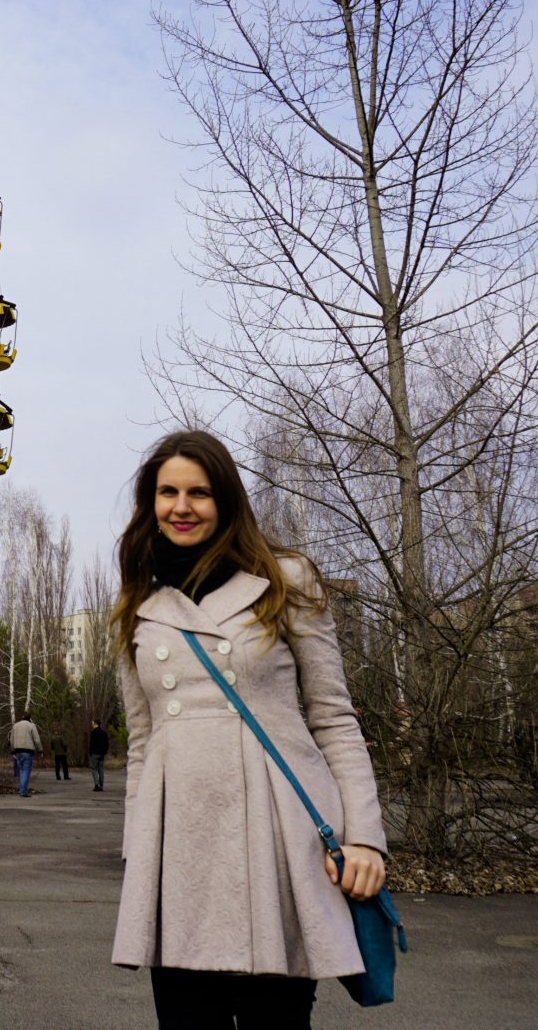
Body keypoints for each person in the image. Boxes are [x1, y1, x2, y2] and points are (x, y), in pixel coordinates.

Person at [111, 430, 387, 1029]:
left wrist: (364, 836)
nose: (181, 507)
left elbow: (335, 718)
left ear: (227, 500)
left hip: (277, 843)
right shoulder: (138, 603)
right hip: (178, 854)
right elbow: (142, 742)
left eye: (198, 492)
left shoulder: (286, 580)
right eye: (167, 493)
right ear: (150, 502)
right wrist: (140, 853)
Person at [9, 711, 41, 796]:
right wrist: (40, 750)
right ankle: (23, 791)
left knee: (22, 771)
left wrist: (12, 750)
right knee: (26, 771)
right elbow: (37, 739)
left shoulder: (15, 725)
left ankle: (21, 789)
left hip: (18, 751)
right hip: (28, 751)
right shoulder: (31, 726)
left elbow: (11, 739)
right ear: (30, 718)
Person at [88, 718, 110, 792]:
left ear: (95, 724)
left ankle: (96, 784)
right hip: (102, 753)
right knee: (101, 769)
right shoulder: (104, 733)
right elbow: (107, 744)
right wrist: (104, 751)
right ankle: (101, 785)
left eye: (93, 723)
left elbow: (92, 744)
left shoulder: (94, 733)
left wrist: (90, 752)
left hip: (95, 753)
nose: (92, 725)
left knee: (93, 768)